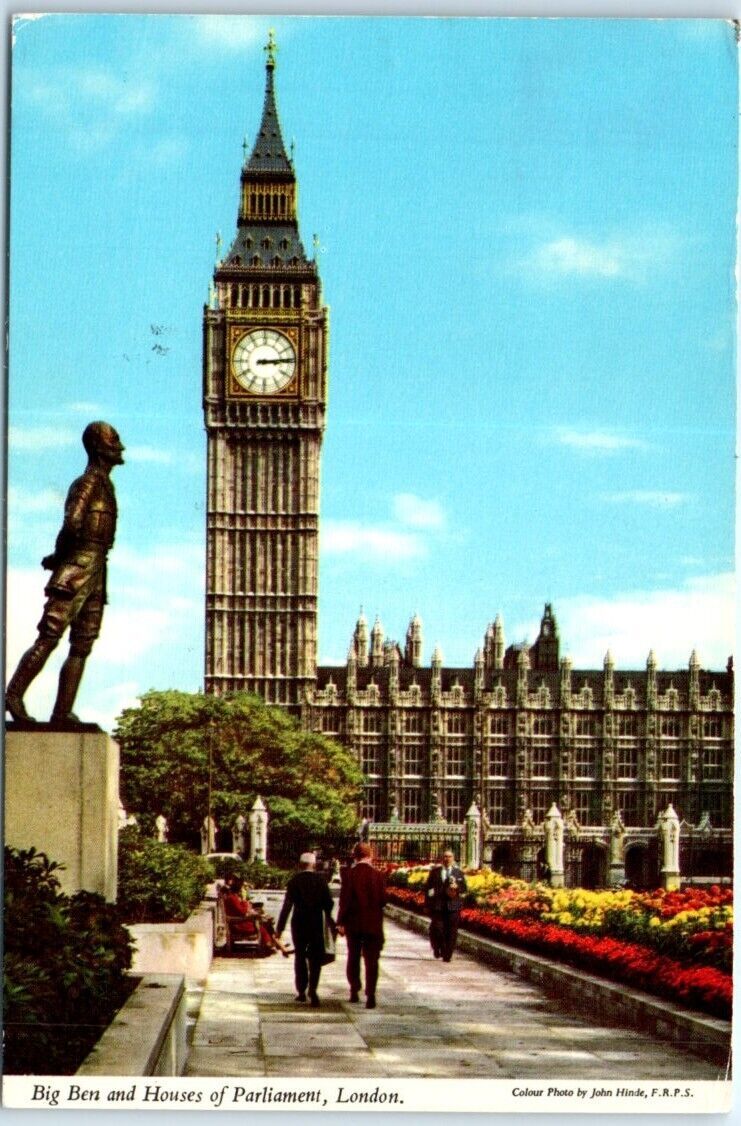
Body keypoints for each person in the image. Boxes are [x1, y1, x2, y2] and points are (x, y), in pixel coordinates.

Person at [6, 421, 125, 726]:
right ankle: (13, 694)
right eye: (114, 441)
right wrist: (59, 559)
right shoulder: (85, 484)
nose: (119, 447)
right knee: (51, 635)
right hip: (77, 567)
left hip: (98, 569)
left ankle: (62, 712)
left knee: (83, 643)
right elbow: (71, 524)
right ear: (98, 447)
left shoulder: (106, 486)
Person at [276, 852, 335, 1007]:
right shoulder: (321, 881)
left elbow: (287, 907)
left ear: (300, 865)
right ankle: (313, 990)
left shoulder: (294, 881)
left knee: (300, 956)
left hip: (299, 923)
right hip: (316, 923)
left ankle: (301, 990)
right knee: (315, 958)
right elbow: (329, 904)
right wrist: (332, 922)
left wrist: (279, 929)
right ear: (314, 865)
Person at [336, 842, 386, 1009]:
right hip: (373, 924)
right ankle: (371, 994)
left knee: (353, 957)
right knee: (372, 960)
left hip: (354, 924)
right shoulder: (379, 876)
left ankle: (354, 989)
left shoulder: (349, 875)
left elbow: (345, 901)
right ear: (370, 855)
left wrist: (340, 922)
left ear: (355, 856)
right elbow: (383, 901)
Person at [222, 875, 291, 956]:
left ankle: (278, 944)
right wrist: (245, 901)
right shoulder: (232, 898)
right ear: (238, 889)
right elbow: (243, 912)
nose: (243, 890)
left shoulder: (233, 897)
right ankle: (274, 944)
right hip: (239, 925)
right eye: (242, 889)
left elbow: (242, 911)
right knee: (265, 924)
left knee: (266, 922)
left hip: (240, 922)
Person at [425, 849, 467, 963]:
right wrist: (428, 904)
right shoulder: (435, 872)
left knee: (452, 931)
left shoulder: (458, 873)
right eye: (445, 856)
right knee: (437, 930)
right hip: (438, 907)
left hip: (453, 907)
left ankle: (447, 954)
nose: (447, 859)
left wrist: (456, 887)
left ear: (453, 859)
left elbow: (464, 889)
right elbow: (428, 888)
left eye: (449, 857)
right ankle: (438, 947)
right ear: (442, 858)